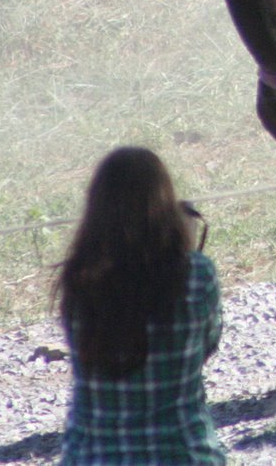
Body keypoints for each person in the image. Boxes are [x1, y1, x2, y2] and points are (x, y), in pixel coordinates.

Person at [55, 146, 224, 465]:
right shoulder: (198, 274)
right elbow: (206, 346)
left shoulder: (78, 279)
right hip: (183, 453)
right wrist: (185, 247)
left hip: (93, 456)